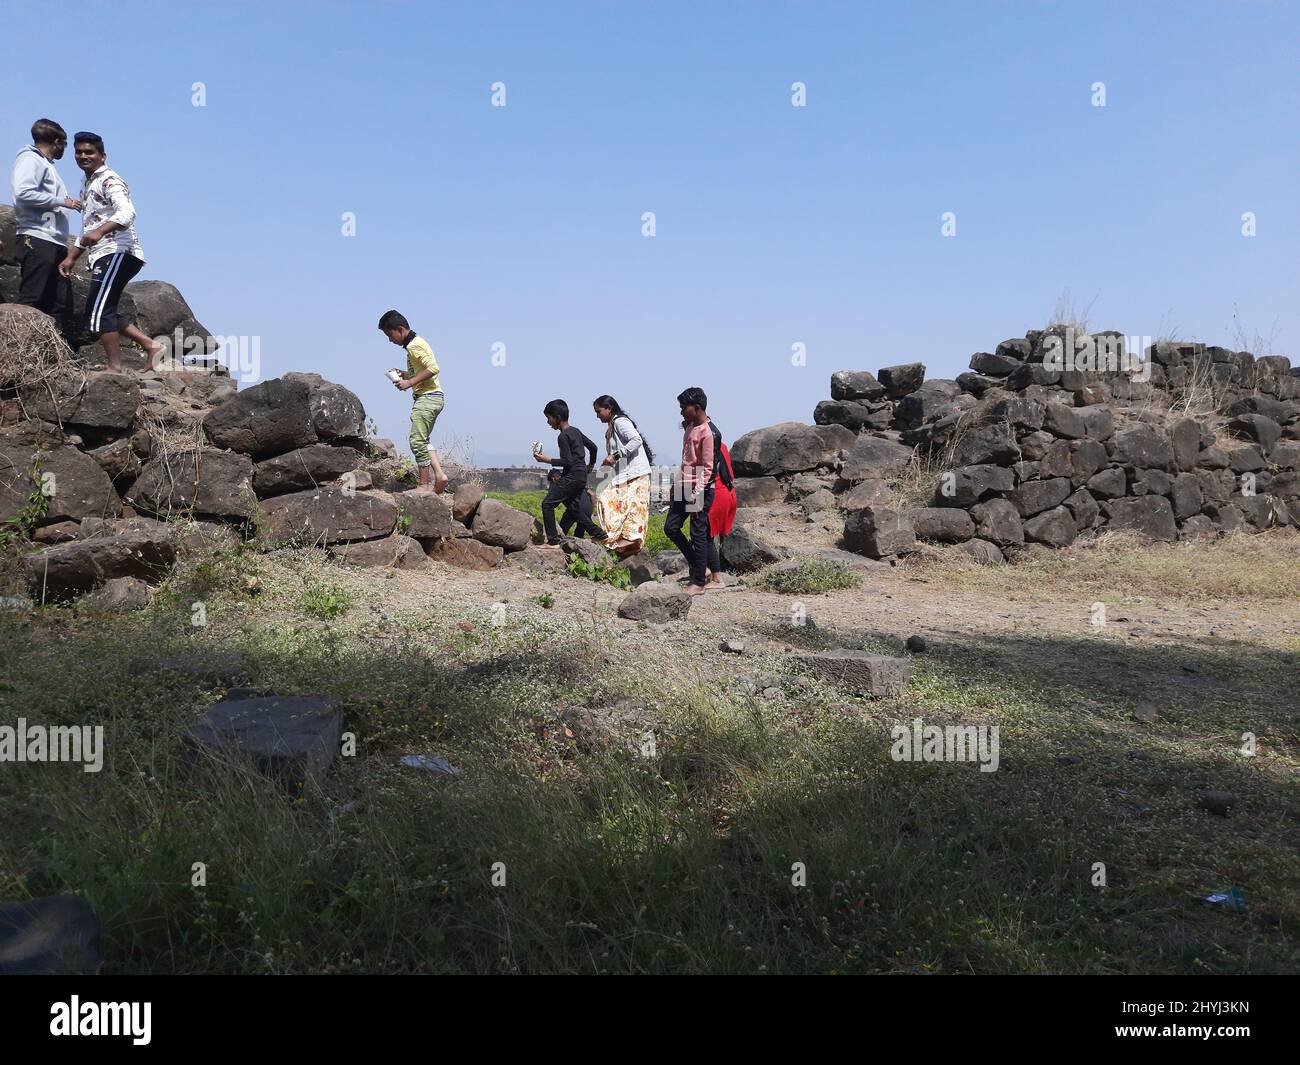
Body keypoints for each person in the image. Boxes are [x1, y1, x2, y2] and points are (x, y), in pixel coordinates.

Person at [58, 132, 161, 372]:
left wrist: (101, 231)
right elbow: (88, 227)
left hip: (119, 251)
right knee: (105, 308)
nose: (83, 156)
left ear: (102, 156)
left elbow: (127, 213)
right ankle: (151, 346)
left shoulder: (110, 180)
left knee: (98, 310)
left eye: (89, 152)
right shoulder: (88, 183)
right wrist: (72, 256)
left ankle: (115, 367)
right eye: (79, 152)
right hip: (104, 253)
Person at [10, 119, 80, 336]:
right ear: (58, 141)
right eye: (64, 146)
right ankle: (20, 350)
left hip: (53, 239)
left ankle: (52, 354)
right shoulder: (30, 159)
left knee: (58, 304)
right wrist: (62, 201)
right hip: (38, 236)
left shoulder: (46, 164)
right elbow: (23, 192)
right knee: (32, 299)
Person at [377, 309, 449, 494]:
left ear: (399, 329)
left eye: (389, 334)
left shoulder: (414, 346)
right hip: (432, 397)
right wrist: (405, 374)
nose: (389, 340)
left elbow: (433, 368)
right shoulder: (416, 344)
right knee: (424, 439)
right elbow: (423, 371)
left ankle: (424, 486)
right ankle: (439, 476)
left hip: (428, 398)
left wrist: (409, 382)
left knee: (416, 441)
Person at [664, 387, 714, 596]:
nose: (682, 411)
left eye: (684, 407)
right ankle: (699, 566)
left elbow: (707, 467)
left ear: (697, 407)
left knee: (698, 534)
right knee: (671, 528)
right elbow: (687, 460)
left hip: (698, 490)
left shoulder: (707, 433)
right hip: (683, 486)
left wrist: (696, 496)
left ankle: (699, 583)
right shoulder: (689, 428)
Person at [534, 399, 605, 545]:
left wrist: (546, 459)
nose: (548, 422)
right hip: (581, 476)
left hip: (572, 476)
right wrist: (590, 464)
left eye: (549, 418)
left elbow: (567, 461)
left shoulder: (563, 436)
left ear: (557, 417)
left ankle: (553, 540)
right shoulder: (576, 431)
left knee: (547, 504)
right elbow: (594, 447)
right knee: (574, 509)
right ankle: (599, 534)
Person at [592, 394, 654, 558]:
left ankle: (629, 540)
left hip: (636, 472)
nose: (597, 415)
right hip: (624, 475)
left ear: (609, 409)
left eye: (599, 411)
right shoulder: (612, 427)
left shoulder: (620, 422)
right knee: (610, 501)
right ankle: (616, 537)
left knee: (634, 509)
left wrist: (615, 456)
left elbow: (636, 440)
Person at [704, 417, 737, 585]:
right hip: (729, 493)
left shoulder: (703, 446)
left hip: (716, 494)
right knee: (708, 534)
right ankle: (708, 570)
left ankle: (716, 577)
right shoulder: (722, 446)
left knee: (704, 534)